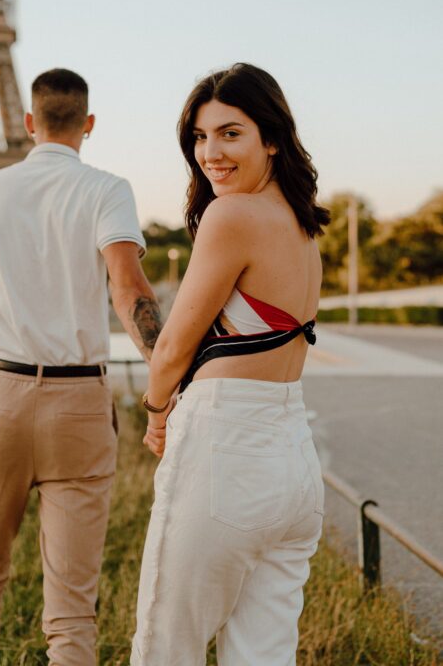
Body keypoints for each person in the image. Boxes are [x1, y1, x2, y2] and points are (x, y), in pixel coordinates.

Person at [0, 67, 162, 666]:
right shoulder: (107, 188)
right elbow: (130, 289)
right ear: (88, 124)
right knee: (72, 608)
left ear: (27, 123)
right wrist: (170, 380)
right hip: (79, 403)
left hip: (1, 394)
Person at [132, 63, 329, 666]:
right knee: (263, 655)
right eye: (199, 136)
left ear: (271, 136)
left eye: (229, 133)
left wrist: (157, 413)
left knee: (168, 649)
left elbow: (172, 349)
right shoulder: (302, 225)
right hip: (293, 459)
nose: (209, 153)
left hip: (226, 450)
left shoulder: (232, 216)